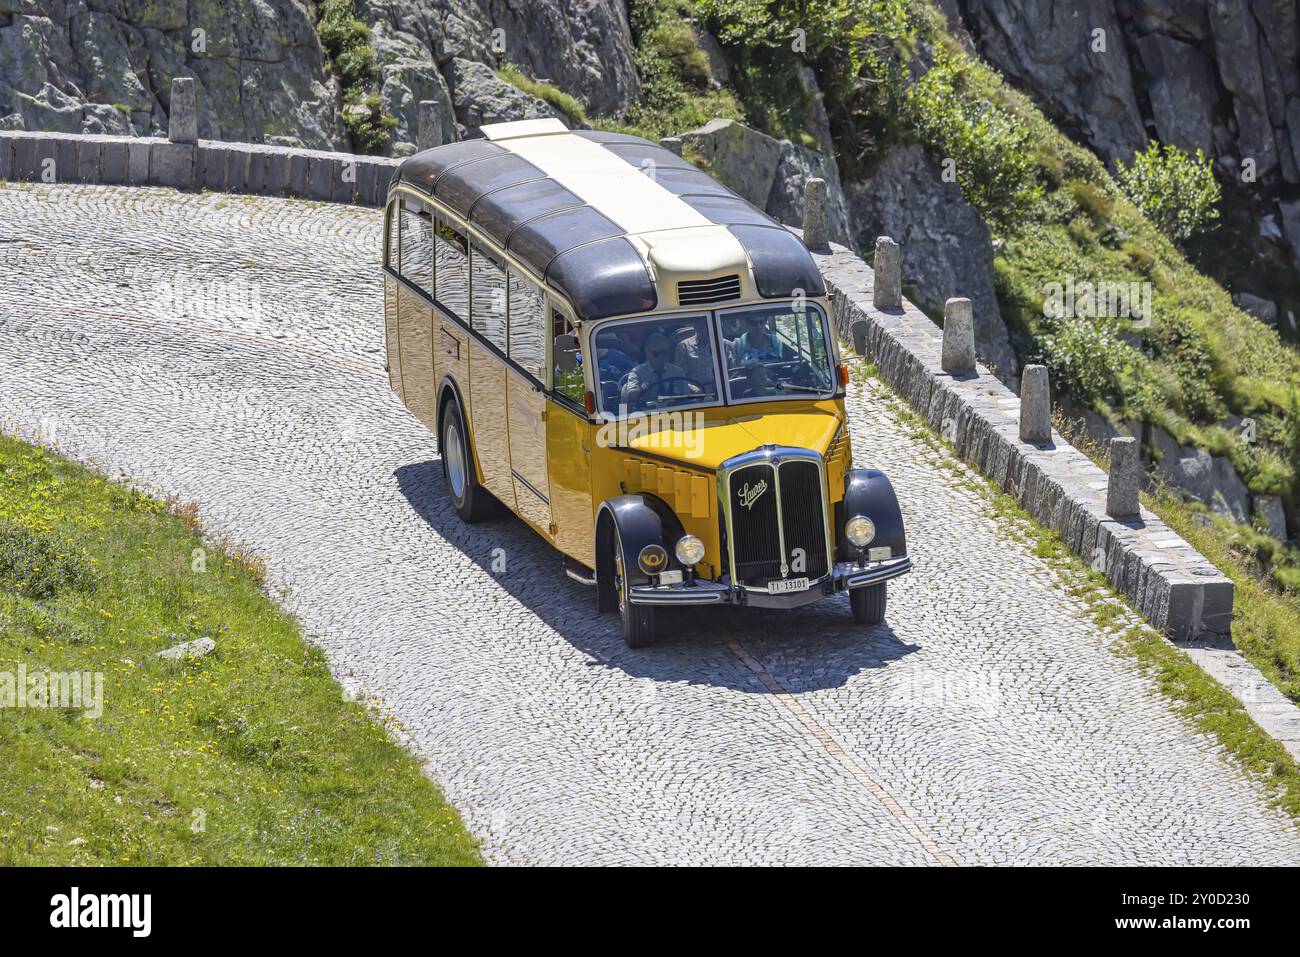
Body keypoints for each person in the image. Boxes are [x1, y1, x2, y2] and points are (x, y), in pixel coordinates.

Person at [621, 332, 689, 409]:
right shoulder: (637, 373)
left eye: (664, 353)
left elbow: (687, 398)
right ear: (647, 352)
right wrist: (640, 390)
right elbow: (628, 397)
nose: (660, 357)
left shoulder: (677, 372)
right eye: (655, 354)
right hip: (649, 415)